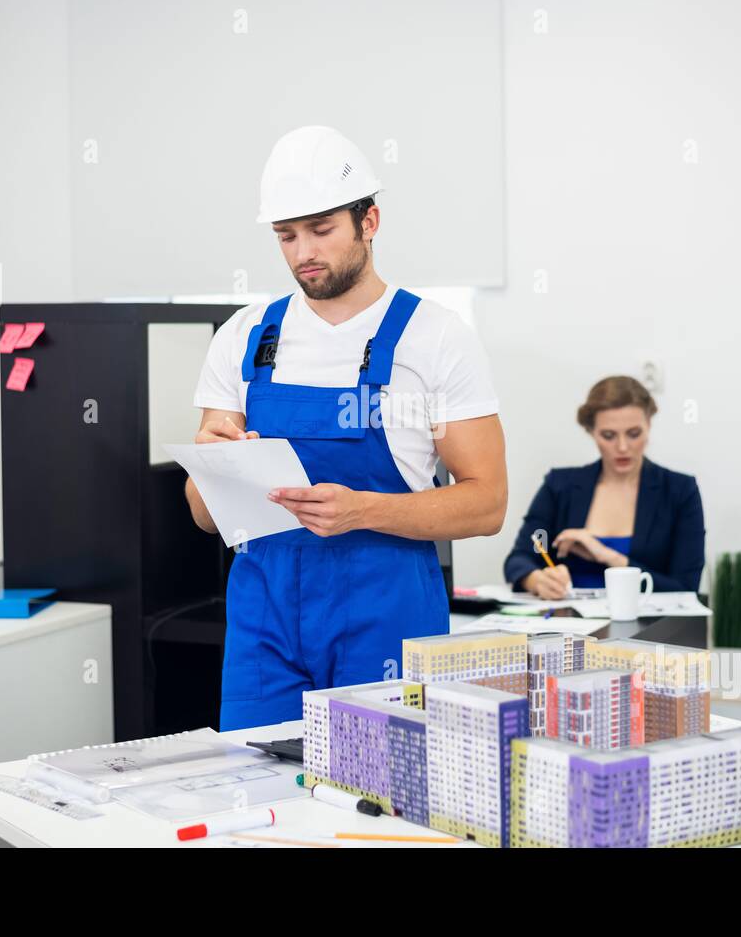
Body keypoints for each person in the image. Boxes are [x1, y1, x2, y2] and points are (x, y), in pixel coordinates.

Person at [186, 125, 507, 729]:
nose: (303, 251)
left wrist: (362, 511)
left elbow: (488, 504)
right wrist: (212, 469)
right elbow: (204, 517)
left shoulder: (436, 339)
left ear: (370, 222)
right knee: (259, 805)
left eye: (322, 229)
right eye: (286, 235)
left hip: (384, 615)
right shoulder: (244, 339)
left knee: (381, 805)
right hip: (265, 620)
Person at [503, 376, 704, 599]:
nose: (622, 447)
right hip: (568, 626)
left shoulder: (679, 491)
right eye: (608, 436)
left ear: (649, 424)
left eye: (634, 434)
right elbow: (521, 557)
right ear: (591, 431)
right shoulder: (560, 487)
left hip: (650, 629)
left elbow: (686, 586)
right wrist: (535, 579)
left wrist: (609, 557)